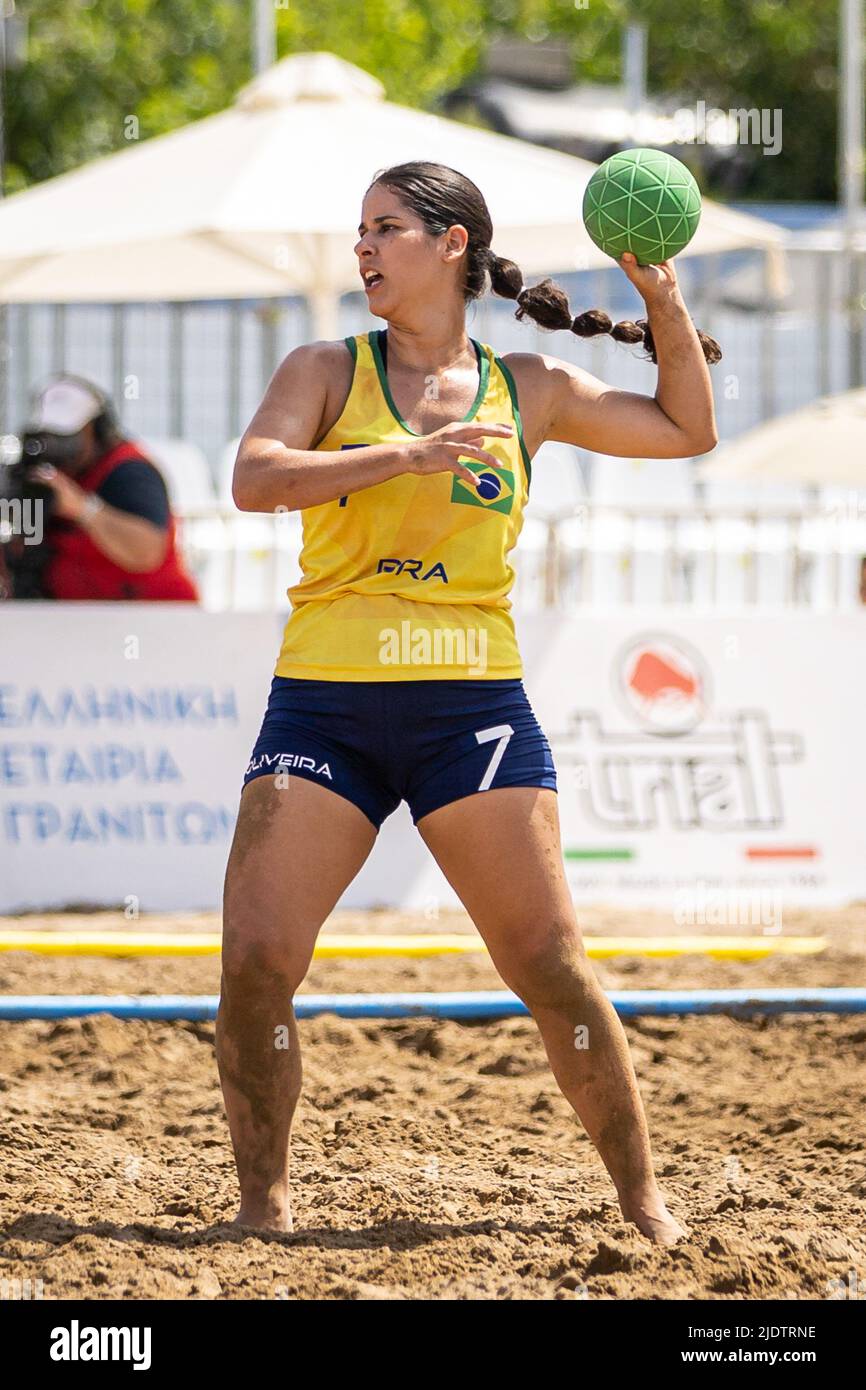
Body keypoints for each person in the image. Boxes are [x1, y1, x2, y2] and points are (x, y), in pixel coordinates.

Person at [218, 161, 719, 1244]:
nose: (361, 248)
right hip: (324, 708)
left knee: (549, 968)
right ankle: (263, 1209)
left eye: (384, 228)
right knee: (255, 968)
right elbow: (253, 480)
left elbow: (685, 432)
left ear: (451, 246)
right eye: (357, 230)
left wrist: (664, 304)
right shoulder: (323, 367)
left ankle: (643, 1204)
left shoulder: (526, 386)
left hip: (469, 711)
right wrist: (400, 455)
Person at [8, 373, 199, 600]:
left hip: (152, 616)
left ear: (96, 429)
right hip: (77, 620)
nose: (57, 445)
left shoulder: (129, 472)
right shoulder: (43, 478)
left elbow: (147, 551)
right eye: (50, 435)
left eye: (67, 435)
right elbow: (23, 552)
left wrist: (83, 509)